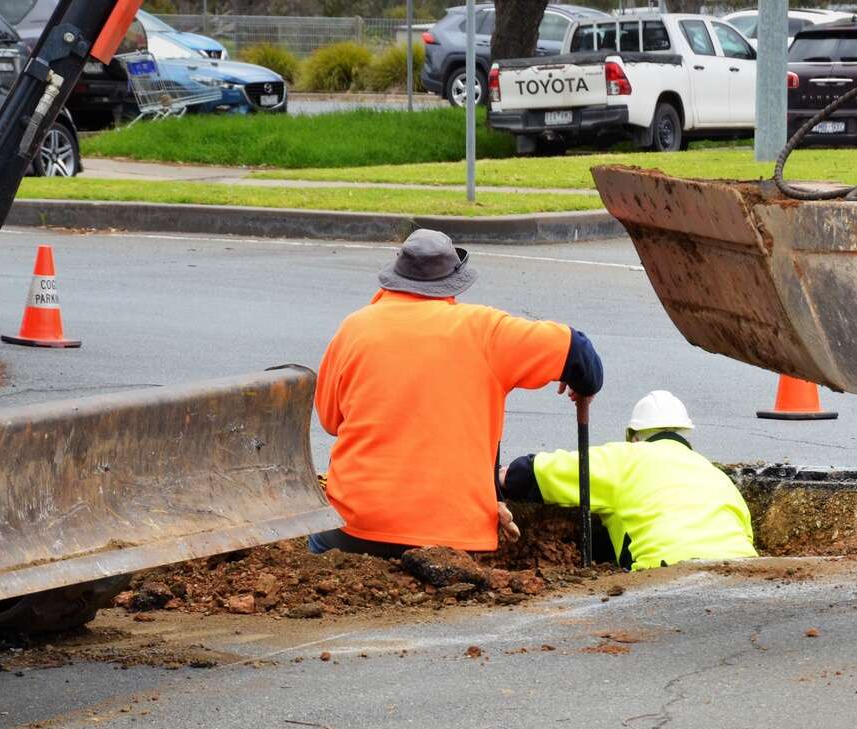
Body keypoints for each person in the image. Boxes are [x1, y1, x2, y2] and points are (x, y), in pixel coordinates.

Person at [311, 229, 602, 557]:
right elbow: (579, 352)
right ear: (453, 283)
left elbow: (331, 421)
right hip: (453, 538)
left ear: (394, 278)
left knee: (317, 545)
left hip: (356, 526)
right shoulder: (486, 331)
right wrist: (584, 384)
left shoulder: (355, 328)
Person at [500, 390, 757, 570]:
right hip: (747, 573)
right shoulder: (718, 476)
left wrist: (499, 475)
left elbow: (533, 473)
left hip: (667, 573)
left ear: (633, 436)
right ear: (686, 437)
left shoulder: (624, 458)